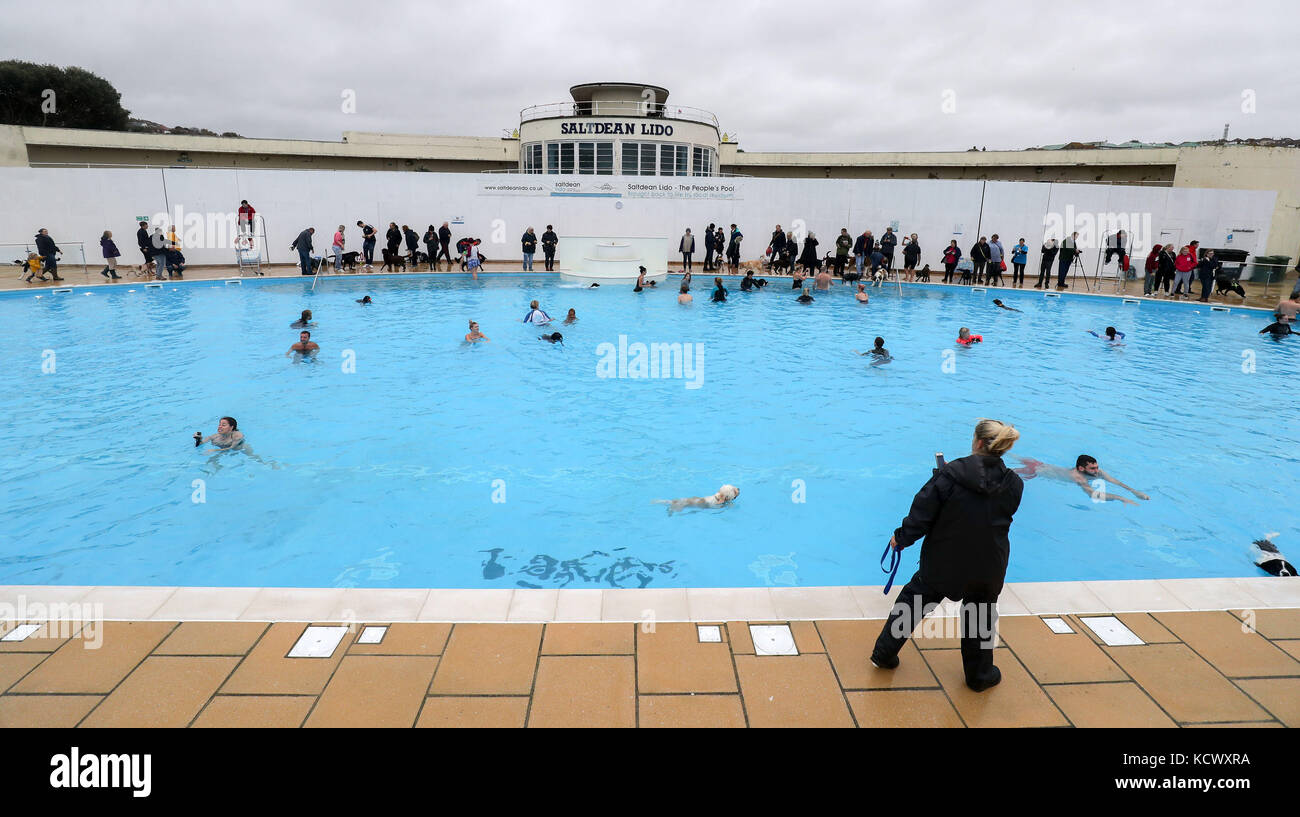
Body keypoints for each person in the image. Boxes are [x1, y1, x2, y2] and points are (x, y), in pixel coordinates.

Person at [870, 419, 1024, 692]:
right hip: (989, 566)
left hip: (944, 563)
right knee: (980, 615)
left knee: (913, 601)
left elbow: (922, 515)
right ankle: (979, 676)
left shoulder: (950, 475)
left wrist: (901, 538)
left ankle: (884, 654)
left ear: (977, 442)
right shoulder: (1014, 483)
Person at [1015, 454, 1147, 504]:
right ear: (1081, 469)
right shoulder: (1078, 477)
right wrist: (1120, 498)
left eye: (1097, 467)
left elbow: (1114, 481)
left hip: (1039, 463)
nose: (1097, 471)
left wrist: (1134, 492)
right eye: (1093, 469)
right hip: (1035, 471)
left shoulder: (1097, 471)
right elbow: (1093, 495)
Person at [653, 484, 739, 515]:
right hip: (693, 504)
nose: (737, 491)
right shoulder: (718, 504)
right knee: (678, 505)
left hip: (695, 501)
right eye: (734, 492)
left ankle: (667, 503)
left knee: (677, 502)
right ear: (726, 498)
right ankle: (671, 507)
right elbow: (719, 506)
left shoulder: (718, 495)